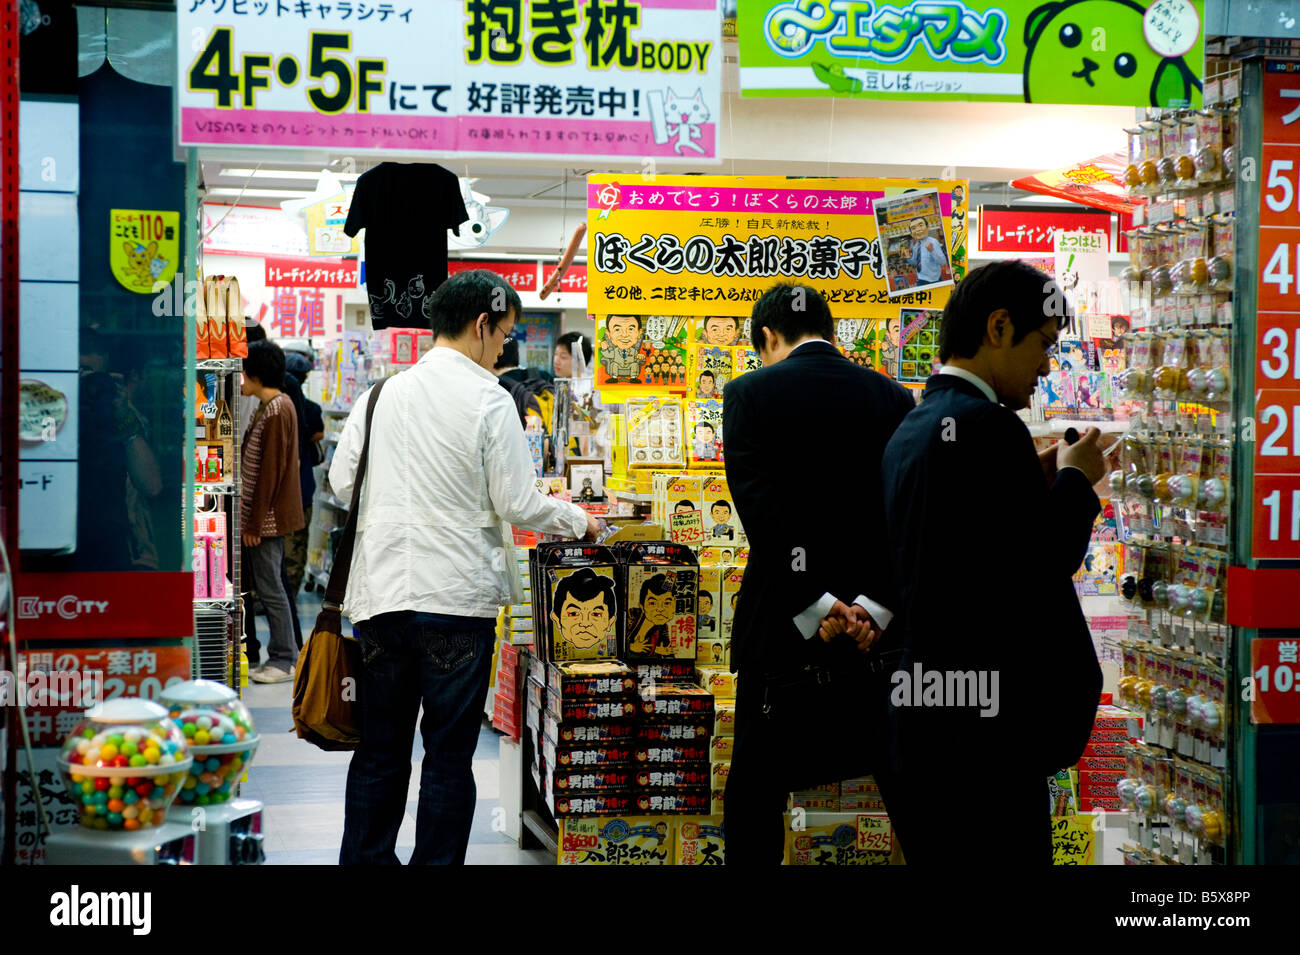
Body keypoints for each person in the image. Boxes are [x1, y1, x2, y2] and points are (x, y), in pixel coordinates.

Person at [331, 269, 598, 865]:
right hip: (454, 601)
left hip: (380, 600)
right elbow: (516, 503)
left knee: (380, 750)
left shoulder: (380, 395)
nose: (504, 347)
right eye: (504, 335)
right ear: (481, 325)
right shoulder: (488, 398)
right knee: (448, 757)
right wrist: (581, 521)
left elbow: (343, 480)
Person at [879, 260, 1107, 865]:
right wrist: (1077, 481)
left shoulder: (914, 426)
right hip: (986, 742)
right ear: (999, 326)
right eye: (1044, 344)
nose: (1047, 365)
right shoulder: (989, 427)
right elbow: (1040, 562)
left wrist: (1036, 479)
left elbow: (967, 544)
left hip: (928, 726)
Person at [721, 282, 915, 866]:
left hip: (783, 631)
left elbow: (762, 515)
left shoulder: (748, 394)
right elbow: (899, 515)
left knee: (756, 793)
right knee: (906, 789)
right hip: (875, 641)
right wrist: (870, 607)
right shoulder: (892, 398)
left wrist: (818, 603)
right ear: (830, 331)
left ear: (768, 337)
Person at [240, 340, 306, 684]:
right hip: (261, 518)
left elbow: (271, 472)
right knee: (269, 586)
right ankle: (283, 654)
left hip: (267, 521)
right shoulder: (269, 407)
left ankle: (284, 658)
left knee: (271, 589)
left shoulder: (279, 409)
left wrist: (254, 522)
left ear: (255, 374)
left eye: (243, 372)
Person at [283, 348, 325, 615]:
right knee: (297, 544)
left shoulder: (276, 405)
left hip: (285, 490)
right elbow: (319, 434)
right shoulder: (311, 408)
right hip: (304, 486)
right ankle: (291, 595)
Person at [908, 217, 946, 287]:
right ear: (911, 233)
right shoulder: (915, 246)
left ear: (928, 227)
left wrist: (932, 251)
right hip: (921, 279)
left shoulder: (933, 242)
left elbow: (942, 262)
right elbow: (914, 263)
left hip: (934, 280)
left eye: (921, 225)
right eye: (913, 228)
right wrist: (907, 256)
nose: (918, 229)